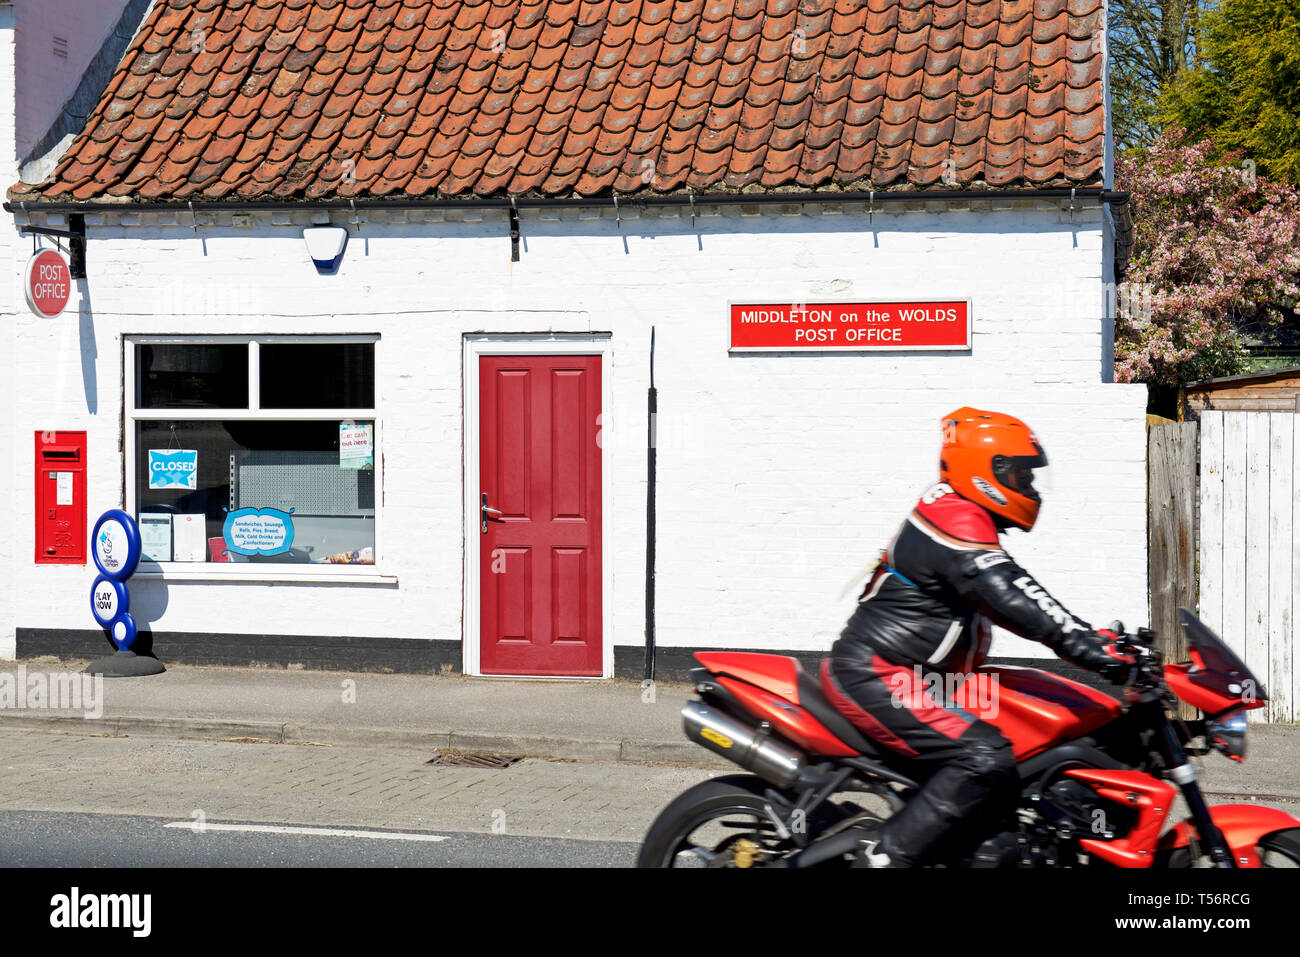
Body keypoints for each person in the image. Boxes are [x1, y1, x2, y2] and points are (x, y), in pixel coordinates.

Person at [821, 407, 1133, 867]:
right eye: (1021, 476)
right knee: (983, 756)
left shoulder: (958, 512)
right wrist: (1089, 648)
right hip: (878, 675)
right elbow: (1014, 597)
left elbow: (1017, 597)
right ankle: (883, 860)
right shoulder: (955, 519)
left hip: (924, 677)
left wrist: (1097, 637)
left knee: (1038, 730)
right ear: (986, 472)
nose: (1029, 488)